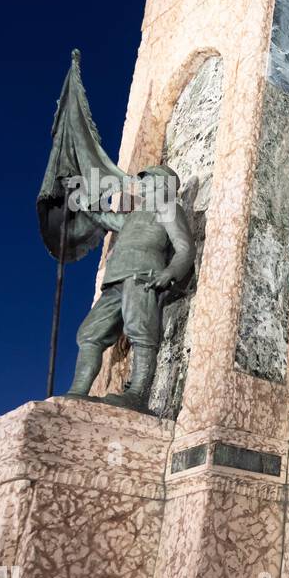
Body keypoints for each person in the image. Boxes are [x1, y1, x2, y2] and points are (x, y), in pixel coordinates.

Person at [66, 165, 194, 409]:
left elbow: (185, 247)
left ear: (162, 183)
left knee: (141, 331)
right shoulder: (134, 215)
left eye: (147, 180)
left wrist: (169, 272)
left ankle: (137, 395)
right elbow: (104, 216)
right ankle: (78, 391)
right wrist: (80, 199)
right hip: (116, 279)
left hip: (142, 275)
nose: (142, 184)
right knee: (89, 333)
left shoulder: (168, 208)